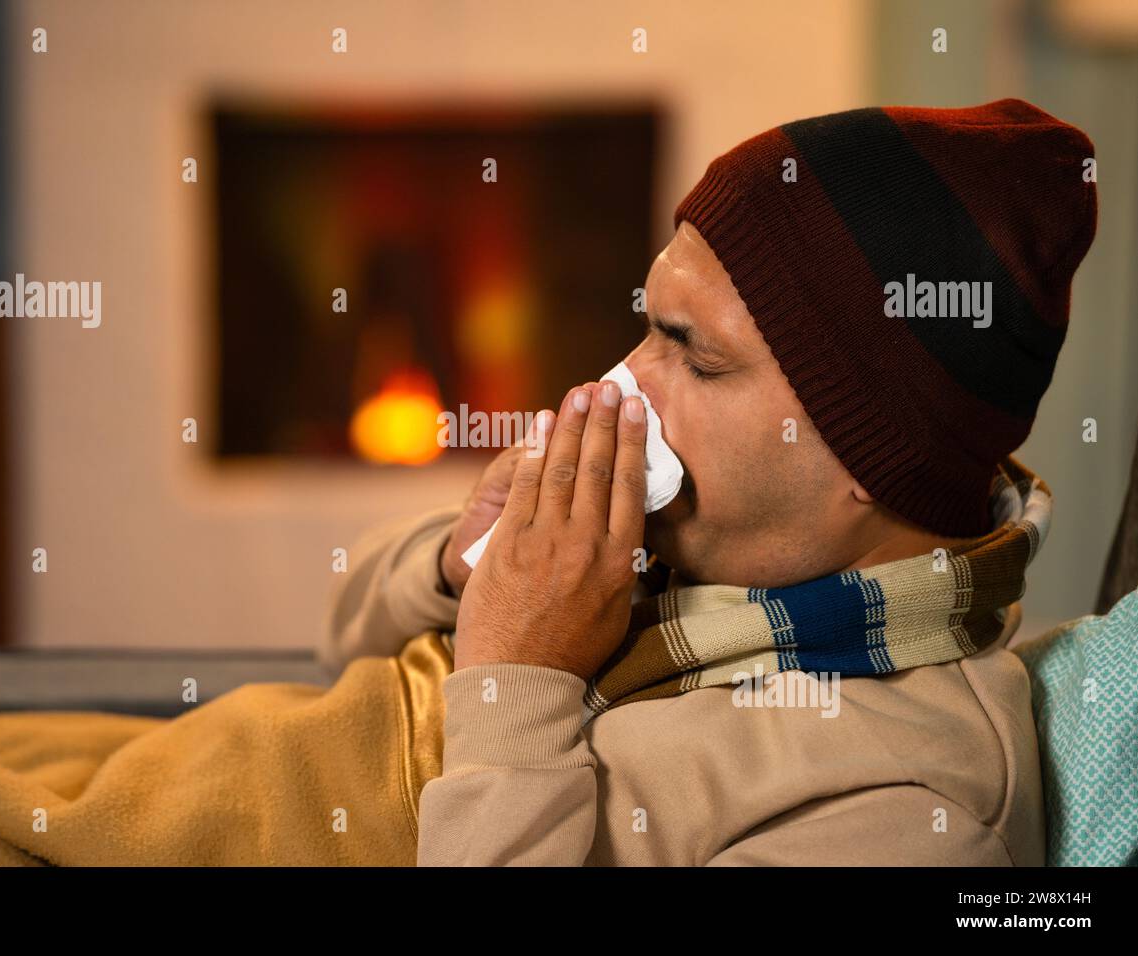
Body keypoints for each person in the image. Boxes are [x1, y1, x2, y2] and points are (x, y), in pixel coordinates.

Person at [324, 98, 1097, 865]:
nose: (617, 385)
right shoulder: (695, 545)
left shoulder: (911, 811)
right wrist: (456, 566)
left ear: (872, 456)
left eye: (696, 359)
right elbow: (339, 647)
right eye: (649, 327)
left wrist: (517, 684)